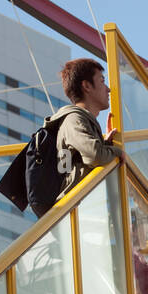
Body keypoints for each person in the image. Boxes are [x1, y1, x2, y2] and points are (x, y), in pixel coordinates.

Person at [50, 58, 123, 198]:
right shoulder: (73, 119)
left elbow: (85, 159)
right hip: (75, 208)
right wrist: (118, 152)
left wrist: (106, 144)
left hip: (82, 206)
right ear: (87, 86)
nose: (108, 89)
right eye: (102, 81)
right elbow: (95, 155)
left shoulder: (79, 121)